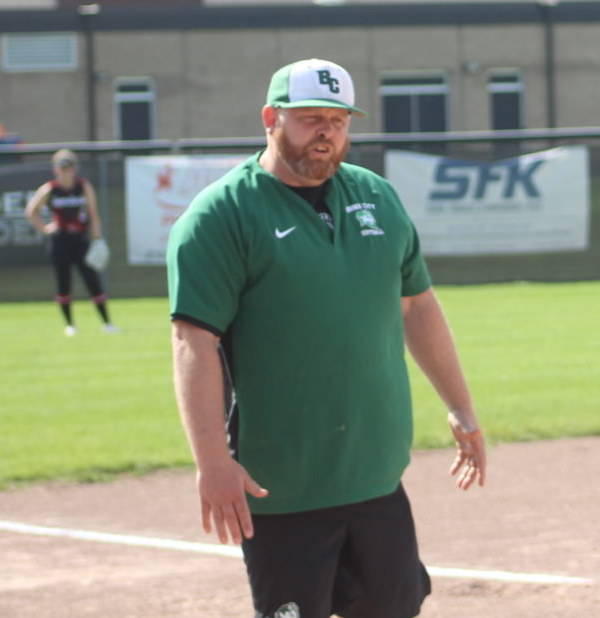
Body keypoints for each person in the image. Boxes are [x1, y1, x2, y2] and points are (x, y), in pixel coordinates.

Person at [167, 58, 484, 618]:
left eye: (338, 121)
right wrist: (212, 462)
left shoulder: (377, 197)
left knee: (394, 608)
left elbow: (417, 305)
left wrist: (461, 406)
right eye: (311, 118)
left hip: (374, 473)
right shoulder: (221, 215)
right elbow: (194, 342)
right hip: (281, 484)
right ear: (271, 119)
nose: (326, 133)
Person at [24, 148, 116, 336]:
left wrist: (97, 239)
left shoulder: (83, 187)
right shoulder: (50, 189)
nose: (66, 172)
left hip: (80, 239)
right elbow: (31, 211)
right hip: (60, 241)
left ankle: (107, 323)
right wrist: (45, 228)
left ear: (75, 168)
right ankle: (70, 325)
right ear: (55, 169)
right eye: (62, 168)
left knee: (92, 281)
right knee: (63, 283)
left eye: (69, 167)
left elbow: (93, 213)